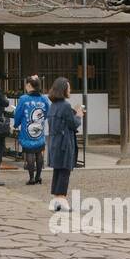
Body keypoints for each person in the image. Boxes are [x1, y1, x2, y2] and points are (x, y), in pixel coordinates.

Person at [45, 77, 83, 211]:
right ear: (63, 89)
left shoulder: (53, 105)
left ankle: (55, 198)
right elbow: (73, 124)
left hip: (54, 141)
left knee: (58, 170)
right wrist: (78, 115)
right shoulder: (65, 105)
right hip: (64, 142)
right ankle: (62, 198)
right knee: (65, 170)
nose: (70, 90)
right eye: (68, 87)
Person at [13, 75, 49, 185]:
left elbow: (18, 114)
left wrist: (16, 124)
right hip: (39, 128)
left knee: (29, 152)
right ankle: (38, 177)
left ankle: (31, 178)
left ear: (29, 85)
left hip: (27, 129)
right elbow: (47, 112)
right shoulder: (44, 99)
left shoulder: (24, 99)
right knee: (39, 152)